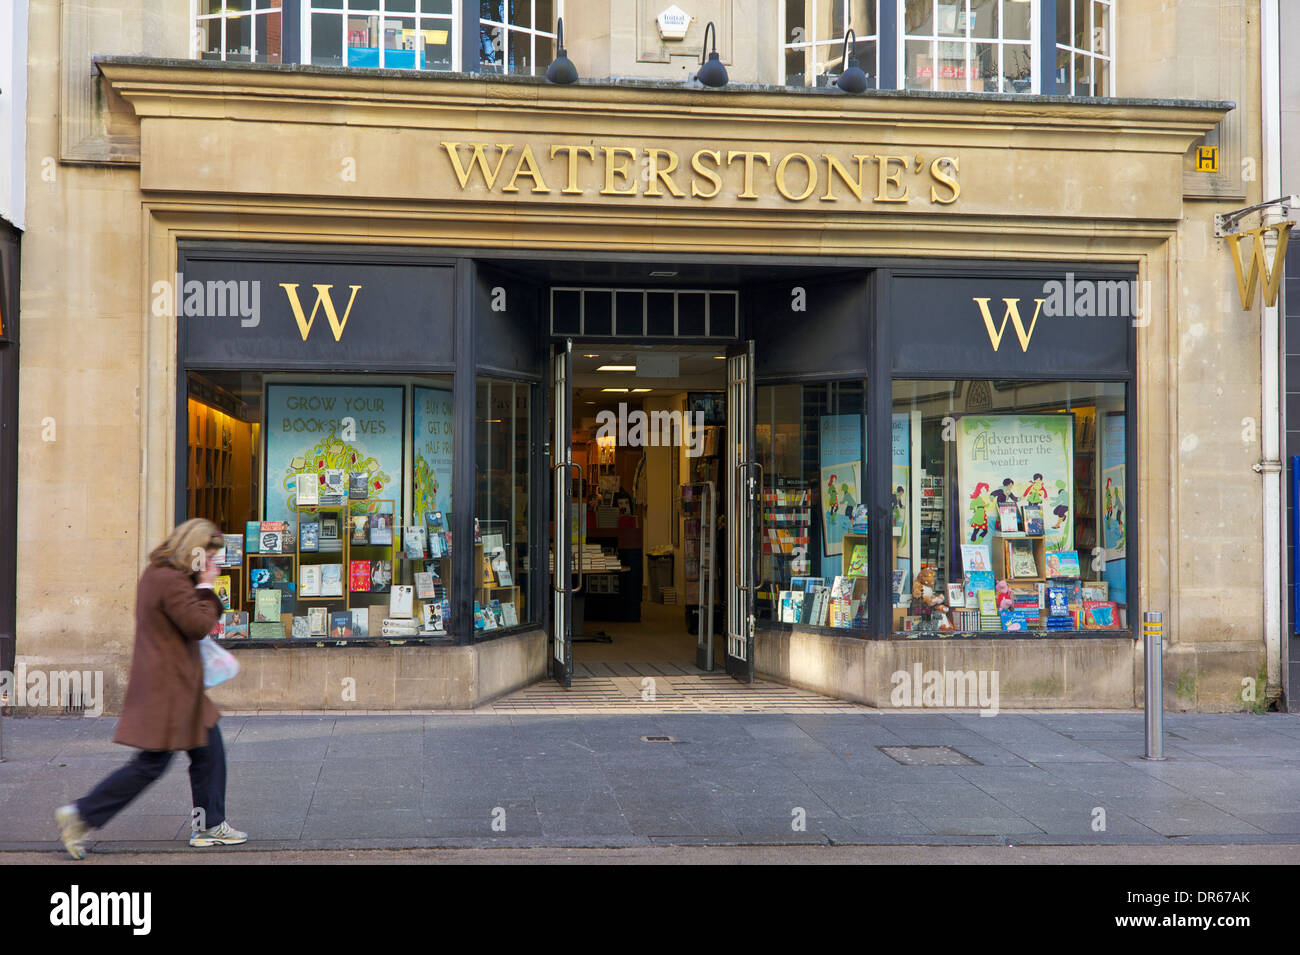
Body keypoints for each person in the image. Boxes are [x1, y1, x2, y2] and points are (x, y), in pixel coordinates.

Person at [54, 518, 247, 859]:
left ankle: (209, 825)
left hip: (176, 686)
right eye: (212, 557)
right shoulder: (170, 581)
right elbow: (197, 625)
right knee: (150, 764)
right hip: (169, 689)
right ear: (196, 552)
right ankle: (81, 815)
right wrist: (205, 587)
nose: (215, 565)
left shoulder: (160, 575)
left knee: (208, 750)